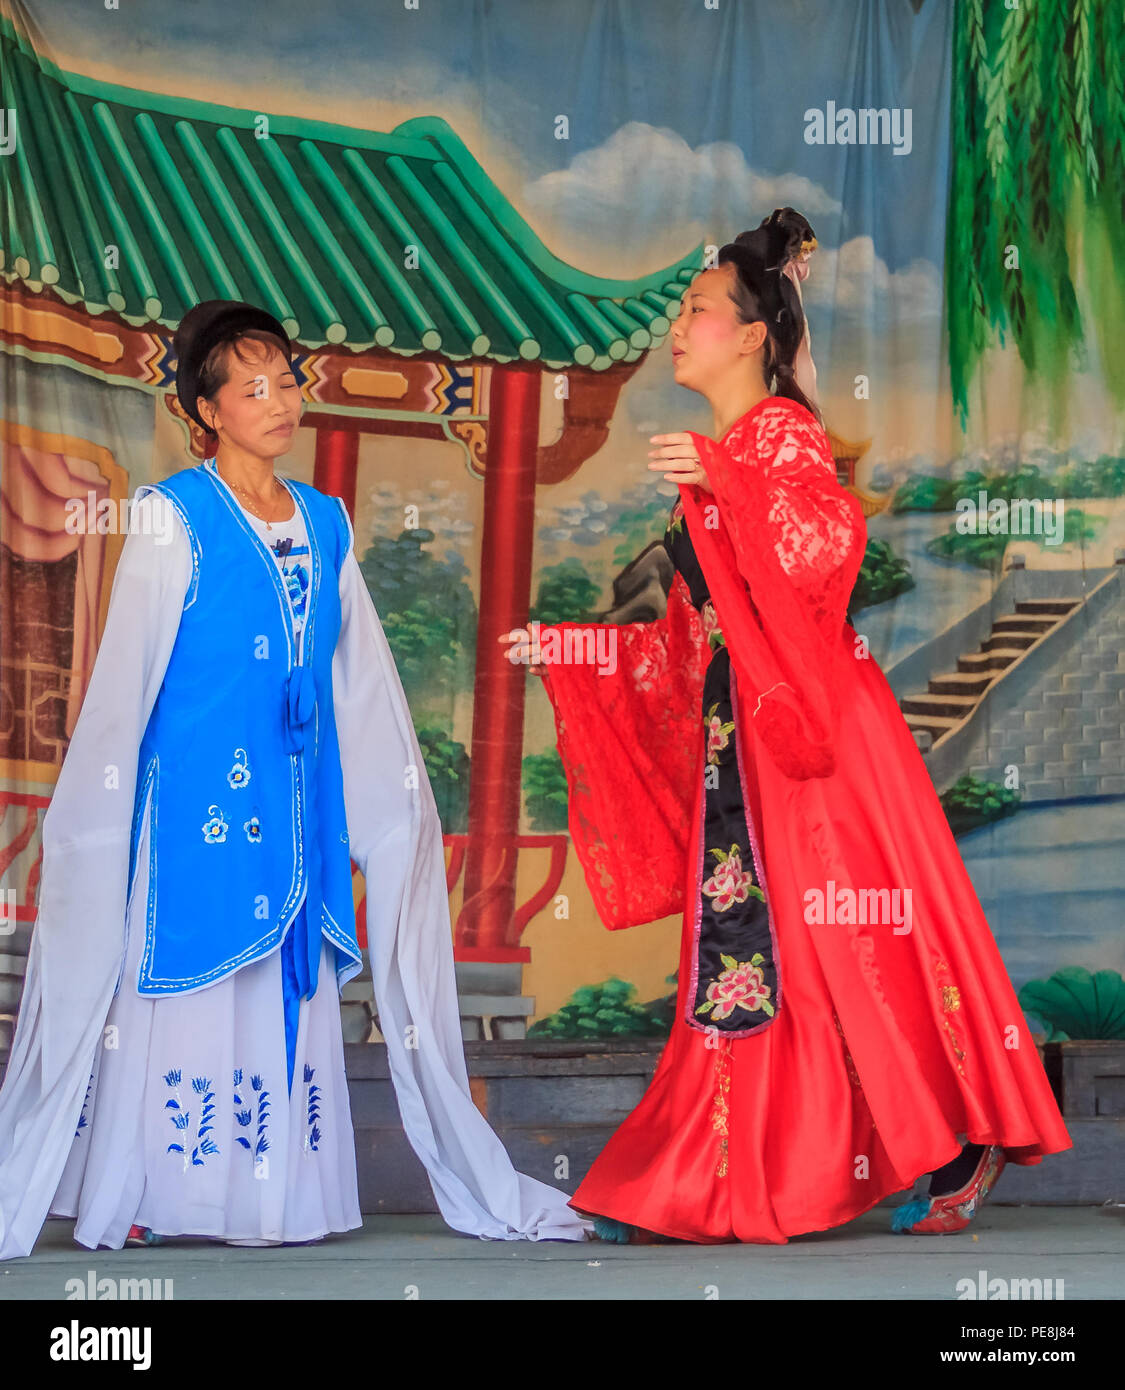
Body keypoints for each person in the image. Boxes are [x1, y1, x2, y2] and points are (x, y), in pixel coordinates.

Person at [501, 213, 1071, 1244]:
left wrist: (730, 479)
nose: (680, 327)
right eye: (681, 310)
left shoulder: (778, 437)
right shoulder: (732, 450)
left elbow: (823, 548)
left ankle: (947, 1137)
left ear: (757, 333)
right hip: (747, 728)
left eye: (701, 309)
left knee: (845, 943)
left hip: (815, 735)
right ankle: (743, 1170)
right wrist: (577, 653)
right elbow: (690, 636)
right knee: (774, 956)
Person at [0, 299, 589, 1257]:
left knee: (281, 980)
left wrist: (384, 816)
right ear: (207, 409)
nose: (280, 401)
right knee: (191, 990)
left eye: (287, 380)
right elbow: (122, 691)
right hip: (195, 809)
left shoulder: (324, 522)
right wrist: (99, 827)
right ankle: (157, 1195)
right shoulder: (167, 517)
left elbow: (360, 686)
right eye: (254, 387)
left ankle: (274, 1206)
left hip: (297, 800)